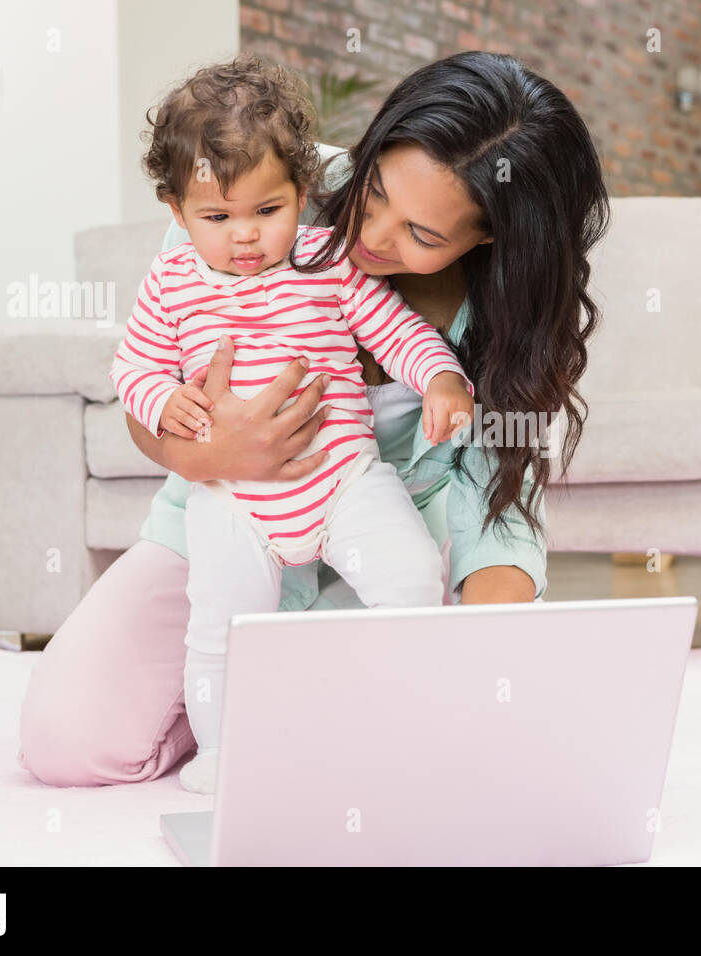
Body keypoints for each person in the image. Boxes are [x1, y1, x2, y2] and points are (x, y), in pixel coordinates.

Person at [18, 50, 610, 787]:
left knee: (408, 668)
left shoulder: (499, 314)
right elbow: (145, 389)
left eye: (423, 235)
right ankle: (236, 721)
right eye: (378, 190)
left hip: (376, 526)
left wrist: (485, 650)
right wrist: (216, 453)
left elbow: (499, 503)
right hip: (229, 514)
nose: (375, 235)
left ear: (487, 236)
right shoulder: (248, 175)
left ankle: (316, 700)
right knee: (69, 744)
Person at [111, 56, 477, 793]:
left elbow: (397, 331)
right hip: (233, 504)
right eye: (217, 218)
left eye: (267, 212)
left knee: (410, 575)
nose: (243, 237)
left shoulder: (325, 263)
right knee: (218, 627)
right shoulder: (173, 280)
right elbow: (134, 369)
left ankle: (404, 723)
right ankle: (219, 751)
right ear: (176, 211)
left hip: (344, 482)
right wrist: (163, 403)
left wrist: (442, 380)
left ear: (302, 194)